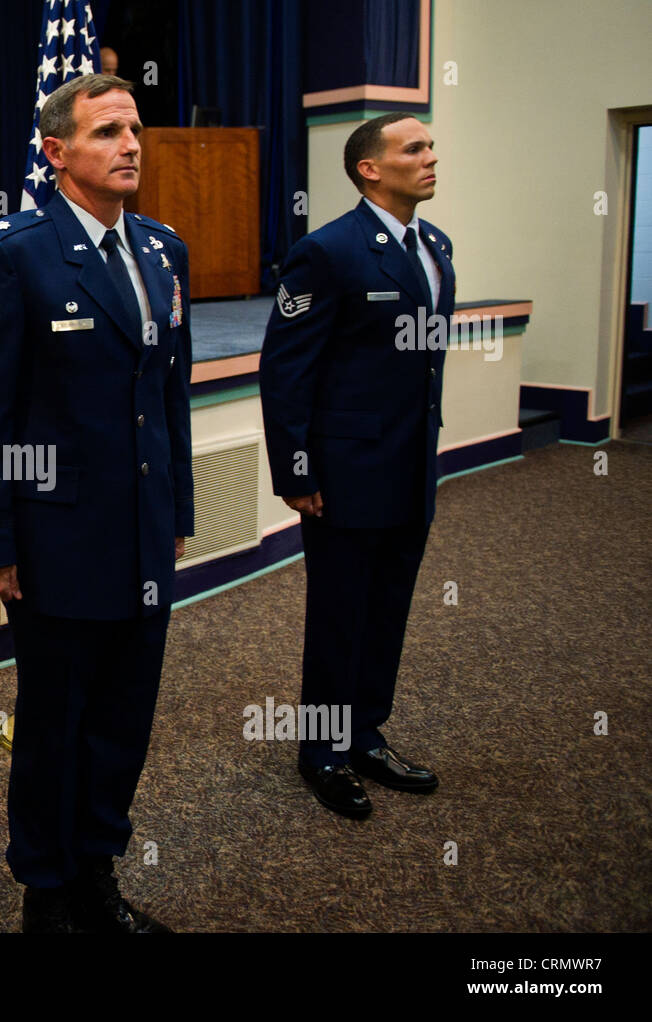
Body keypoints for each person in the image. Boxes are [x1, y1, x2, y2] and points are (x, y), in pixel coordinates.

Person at [0, 74, 193, 932]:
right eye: (106, 132)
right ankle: (47, 894)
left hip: (140, 536)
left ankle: (99, 874)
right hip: (56, 539)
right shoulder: (13, 253)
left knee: (125, 720)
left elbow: (169, 400)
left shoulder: (162, 249)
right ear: (56, 152)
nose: (130, 145)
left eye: (135, 129)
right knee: (56, 726)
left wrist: (179, 512)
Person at [258, 111, 454, 819]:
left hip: (409, 466)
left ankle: (365, 732)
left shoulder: (434, 245)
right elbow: (285, 372)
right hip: (344, 472)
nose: (431, 156)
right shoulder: (326, 252)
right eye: (415, 148)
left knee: (388, 608)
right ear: (369, 168)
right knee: (340, 614)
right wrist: (298, 471)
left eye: (430, 145)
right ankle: (322, 752)